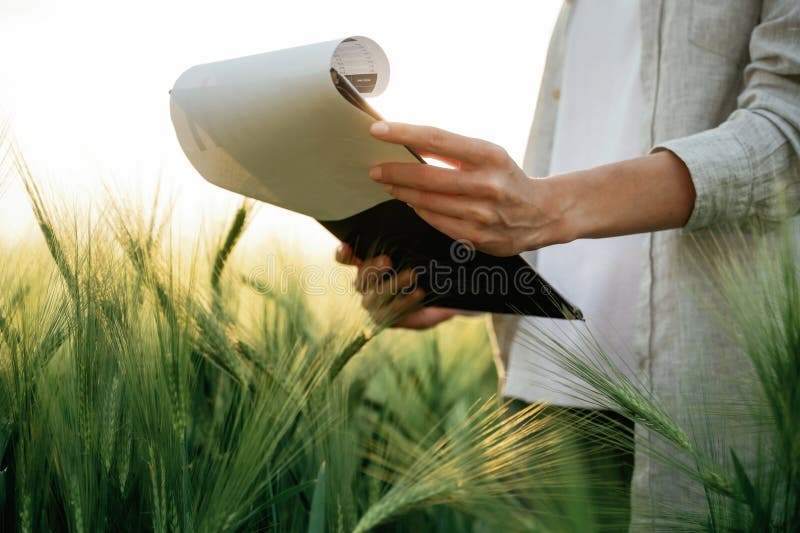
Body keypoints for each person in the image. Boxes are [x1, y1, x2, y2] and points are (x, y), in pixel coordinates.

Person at [336, 0, 800, 528]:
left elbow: (787, 132)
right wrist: (459, 285)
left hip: (693, 403)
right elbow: (565, 164)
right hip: (535, 395)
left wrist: (547, 208)